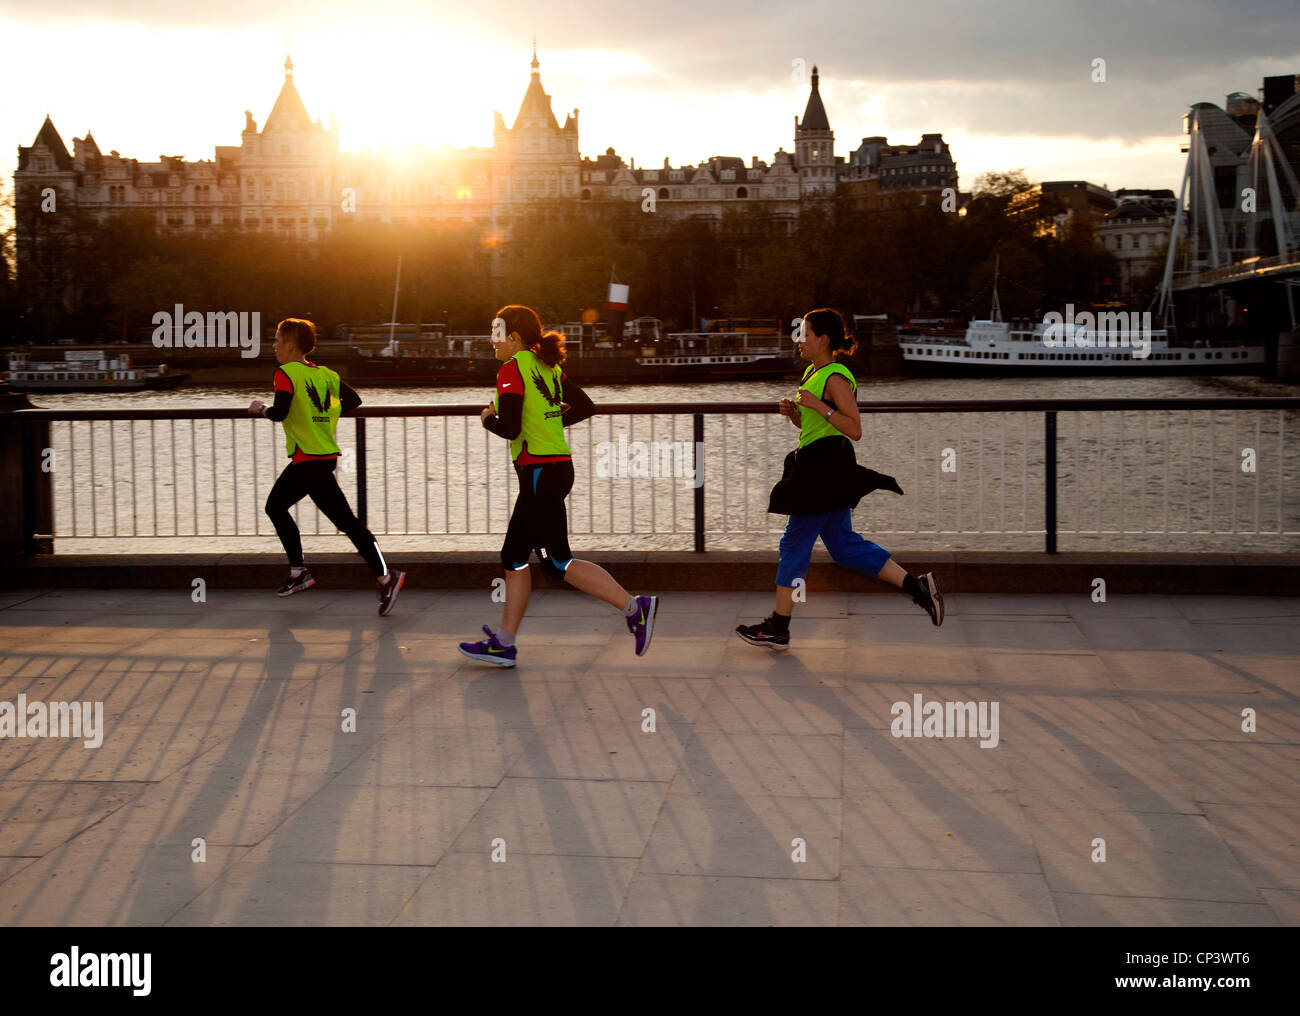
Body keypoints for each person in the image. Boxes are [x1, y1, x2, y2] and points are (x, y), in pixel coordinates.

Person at [458, 305, 658, 667]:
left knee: (556, 562)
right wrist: (548, 425)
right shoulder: (546, 366)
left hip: (539, 474)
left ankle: (635, 608)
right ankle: (504, 643)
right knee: (515, 556)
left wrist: (488, 418)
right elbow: (583, 407)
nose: (492, 340)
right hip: (555, 468)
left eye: (497, 332)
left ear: (515, 336)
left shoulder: (512, 368)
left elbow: (510, 428)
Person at [736, 307, 943, 651]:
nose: (799, 340)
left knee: (793, 544)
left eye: (804, 333)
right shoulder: (811, 373)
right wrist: (795, 414)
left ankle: (779, 626)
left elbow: (854, 428)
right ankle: (917, 587)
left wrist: (817, 405)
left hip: (824, 470)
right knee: (844, 547)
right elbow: (813, 429)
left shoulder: (835, 377)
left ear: (823, 339)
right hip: (818, 465)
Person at [248, 317, 405, 615]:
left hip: (308, 459)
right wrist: (324, 414)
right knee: (346, 523)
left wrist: (260, 409)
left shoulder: (285, 373)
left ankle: (306, 573)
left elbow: (280, 412)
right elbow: (353, 400)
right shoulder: (326, 375)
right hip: (323, 457)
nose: (274, 345)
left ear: (291, 344)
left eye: (278, 340)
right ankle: (380, 576)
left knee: (278, 508)